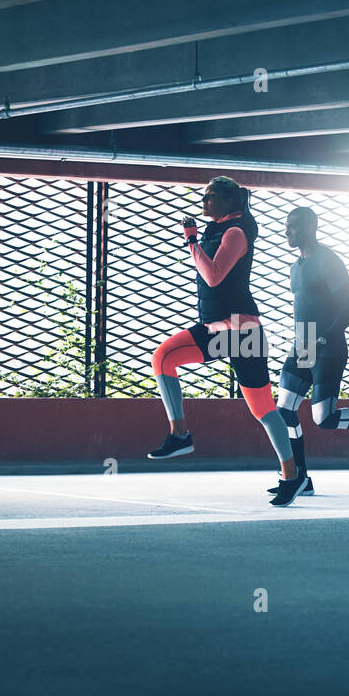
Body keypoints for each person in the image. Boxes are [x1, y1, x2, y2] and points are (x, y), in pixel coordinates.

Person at [146, 176, 306, 506]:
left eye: (211, 196)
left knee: (262, 409)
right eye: (204, 196)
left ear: (229, 201)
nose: (204, 201)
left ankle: (181, 435)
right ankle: (291, 476)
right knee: (263, 409)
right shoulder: (218, 230)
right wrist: (198, 239)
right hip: (226, 328)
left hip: (236, 330)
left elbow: (213, 276)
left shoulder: (235, 232)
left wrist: (191, 240)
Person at [270, 207, 349, 497]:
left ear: (310, 228)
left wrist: (323, 337)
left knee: (324, 419)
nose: (287, 231)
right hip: (303, 343)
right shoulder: (296, 266)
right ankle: (299, 477)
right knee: (284, 409)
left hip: (329, 347)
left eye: (293, 226)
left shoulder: (327, 260)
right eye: (286, 226)